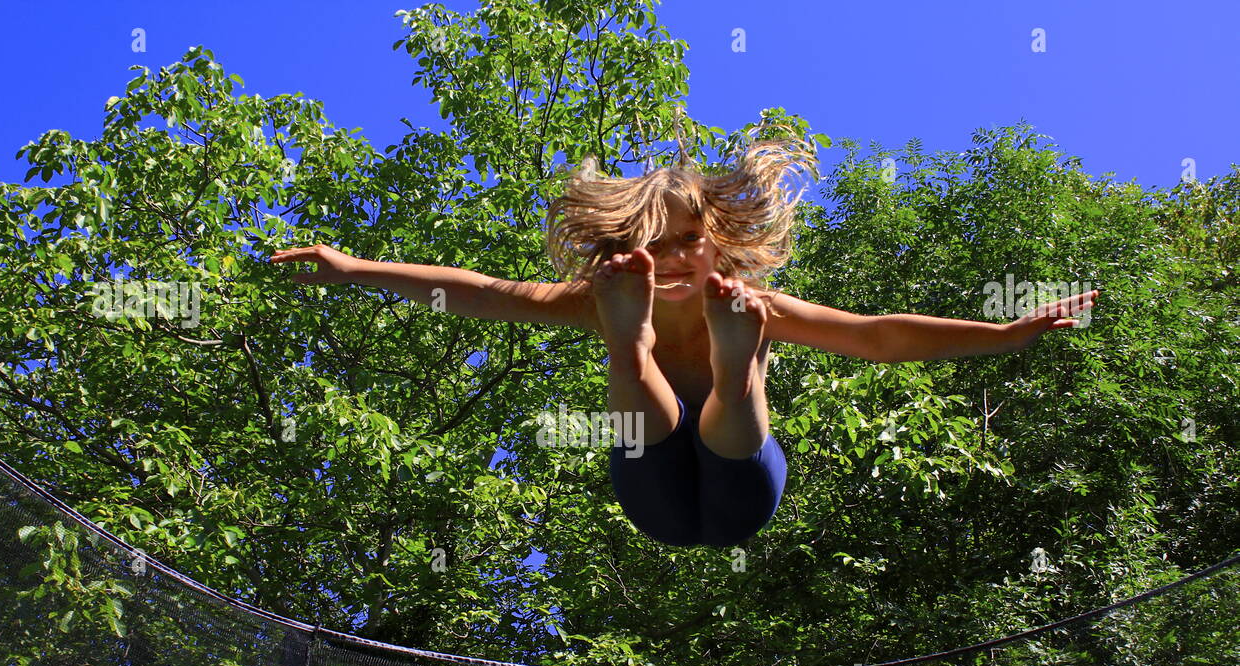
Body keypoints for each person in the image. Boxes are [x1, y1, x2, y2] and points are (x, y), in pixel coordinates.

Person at [271, 137, 1095, 547]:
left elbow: (878, 338)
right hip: (653, 502)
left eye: (684, 243)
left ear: (715, 243)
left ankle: (735, 370)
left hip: (745, 490)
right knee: (636, 376)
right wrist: (351, 270)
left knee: (732, 383)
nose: (668, 259)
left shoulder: (751, 295)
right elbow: (477, 293)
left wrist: (1005, 332)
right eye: (651, 245)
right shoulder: (598, 296)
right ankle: (633, 352)